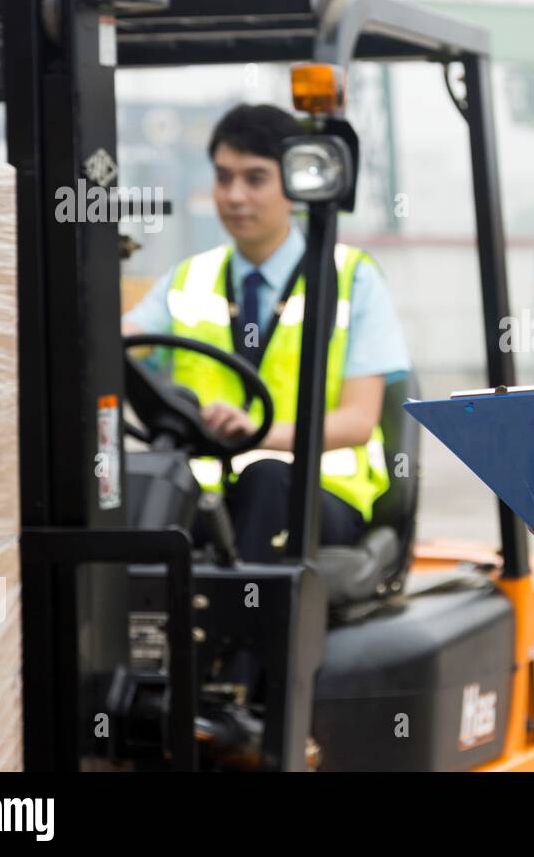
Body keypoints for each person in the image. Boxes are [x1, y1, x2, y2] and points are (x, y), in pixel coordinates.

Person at [122, 103, 411, 561]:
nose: (234, 196)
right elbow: (119, 347)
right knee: (125, 488)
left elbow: (358, 421)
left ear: (294, 185)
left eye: (254, 179)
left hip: (319, 493)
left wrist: (257, 433)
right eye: (223, 177)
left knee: (267, 481)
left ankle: (241, 625)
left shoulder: (350, 278)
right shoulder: (188, 279)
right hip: (212, 491)